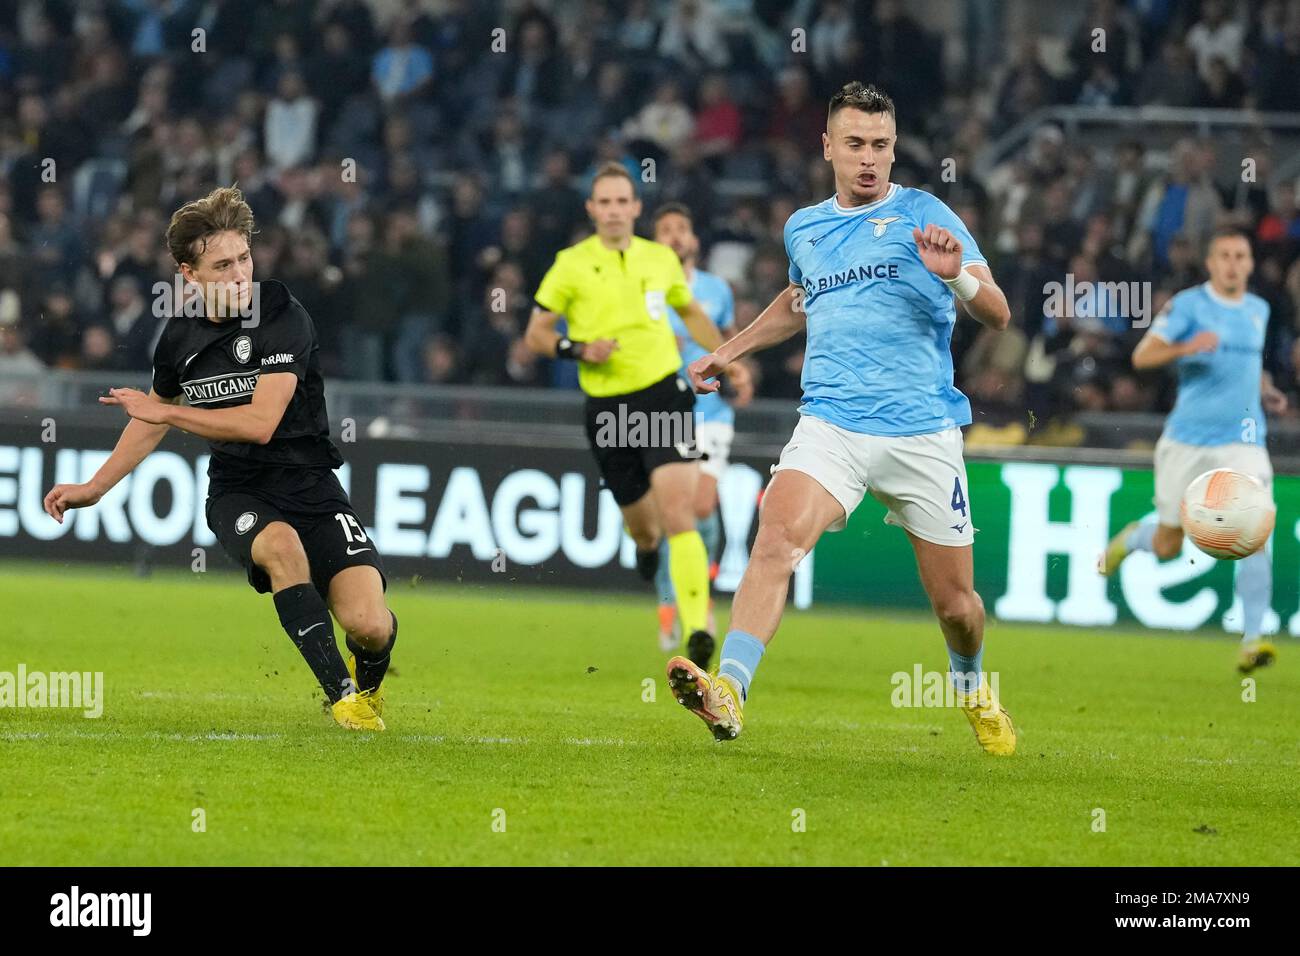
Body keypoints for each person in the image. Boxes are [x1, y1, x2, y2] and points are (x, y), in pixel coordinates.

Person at [668, 83, 1017, 755]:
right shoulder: (805, 227)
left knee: (957, 608)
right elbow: (798, 301)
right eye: (855, 144)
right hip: (831, 423)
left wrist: (957, 277)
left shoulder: (926, 212)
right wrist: (727, 350)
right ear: (827, 146)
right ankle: (730, 691)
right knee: (775, 540)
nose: (868, 159)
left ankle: (971, 685)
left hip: (922, 432)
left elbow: (997, 311)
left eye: (880, 146)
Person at [43, 187, 395, 731]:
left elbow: (259, 424)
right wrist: (94, 487)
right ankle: (342, 697)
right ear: (190, 274)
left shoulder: (282, 315)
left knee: (369, 626)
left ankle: (367, 685)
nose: (239, 274)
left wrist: (169, 415)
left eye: (245, 259)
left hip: (312, 487)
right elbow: (148, 419)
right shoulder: (179, 337)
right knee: (281, 548)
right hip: (239, 492)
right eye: (223, 264)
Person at [526, 163, 741, 668]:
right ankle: (645, 549)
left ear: (635, 207)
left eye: (623, 201)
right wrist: (575, 348)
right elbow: (535, 333)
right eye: (605, 202)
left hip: (664, 395)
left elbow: (689, 313)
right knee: (646, 529)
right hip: (608, 408)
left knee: (680, 513)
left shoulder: (659, 259)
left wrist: (727, 356)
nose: (615, 211)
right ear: (592, 209)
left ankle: (696, 631)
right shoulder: (570, 264)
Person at [1100, 226, 1286, 674]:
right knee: (1167, 544)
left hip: (1243, 442)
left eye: (1240, 256)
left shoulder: (1259, 310)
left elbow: (1247, 363)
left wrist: (1267, 389)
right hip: (1186, 439)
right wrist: (1188, 346)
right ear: (1210, 263)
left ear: (1250, 263)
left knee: (1257, 532)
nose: (1233, 264)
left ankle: (1253, 640)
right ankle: (1133, 538)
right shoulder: (1188, 305)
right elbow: (1143, 357)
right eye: (1224, 255)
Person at [649, 201, 752, 650]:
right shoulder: (645, 291)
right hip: (664, 412)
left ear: (693, 239)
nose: (674, 235)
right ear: (655, 241)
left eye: (682, 227)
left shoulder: (716, 289)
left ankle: (696, 600)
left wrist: (738, 373)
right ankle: (673, 606)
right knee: (674, 515)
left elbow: (730, 340)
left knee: (703, 507)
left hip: (712, 414)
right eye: (665, 229)